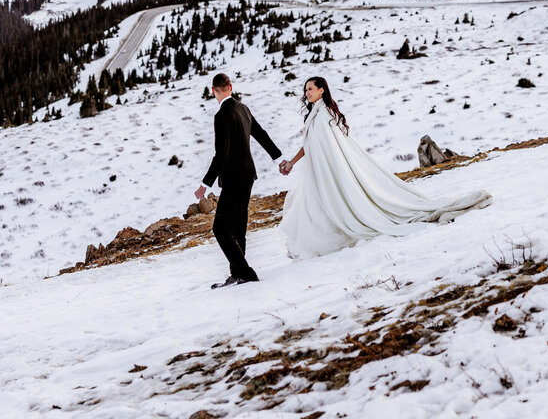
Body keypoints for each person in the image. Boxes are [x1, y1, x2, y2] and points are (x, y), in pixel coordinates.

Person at [278, 76, 492, 259]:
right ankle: (320, 239)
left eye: (310, 89)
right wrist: (292, 162)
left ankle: (330, 237)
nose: (307, 93)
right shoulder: (316, 114)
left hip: (328, 169)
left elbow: (332, 146)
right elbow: (310, 144)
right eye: (305, 90)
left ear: (322, 90)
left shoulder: (324, 114)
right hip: (318, 169)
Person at [195, 73, 283, 288]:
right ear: (230, 87)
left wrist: (205, 184)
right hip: (248, 175)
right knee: (237, 228)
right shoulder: (243, 108)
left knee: (221, 229)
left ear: (213, 90)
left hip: (234, 178)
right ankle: (237, 273)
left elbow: (221, 154)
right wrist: (278, 157)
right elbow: (260, 133)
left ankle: (246, 272)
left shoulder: (221, 115)